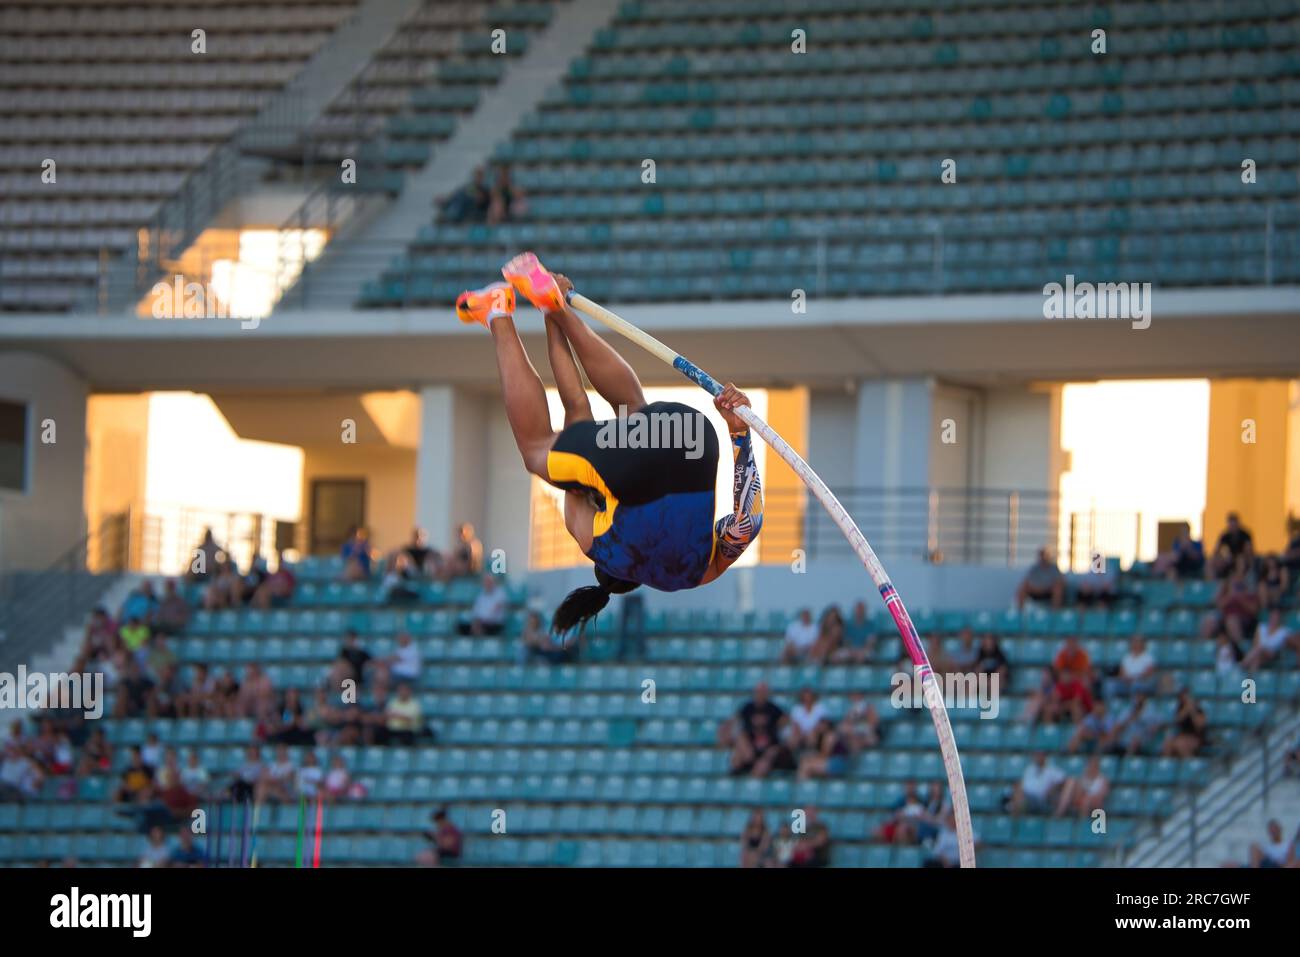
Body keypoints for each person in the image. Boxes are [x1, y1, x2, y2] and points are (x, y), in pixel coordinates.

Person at [458, 256, 764, 637]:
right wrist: (549, 320)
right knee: (537, 450)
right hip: (632, 467)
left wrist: (739, 434)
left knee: (635, 411)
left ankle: (556, 306)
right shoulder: (598, 545)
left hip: (692, 436)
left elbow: (749, 522)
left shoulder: (698, 573)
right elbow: (576, 407)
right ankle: (498, 315)